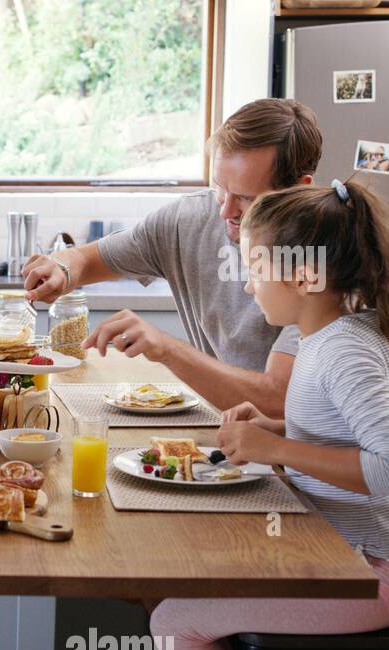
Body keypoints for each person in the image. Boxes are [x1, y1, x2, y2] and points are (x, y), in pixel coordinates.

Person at [151, 179, 389, 650]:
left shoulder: (344, 352)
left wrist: (275, 448)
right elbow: (333, 433)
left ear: (303, 276)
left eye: (254, 267)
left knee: (173, 621)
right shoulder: (323, 339)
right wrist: (274, 425)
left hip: (376, 574)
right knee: (185, 581)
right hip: (340, 560)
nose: (249, 285)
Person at [22, 98, 323, 417]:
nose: (225, 210)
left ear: (298, 189)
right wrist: (62, 268)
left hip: (296, 457)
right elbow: (89, 259)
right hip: (229, 437)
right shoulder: (190, 220)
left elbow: (280, 401)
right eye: (220, 187)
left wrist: (167, 349)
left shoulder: (324, 257)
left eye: (247, 198)